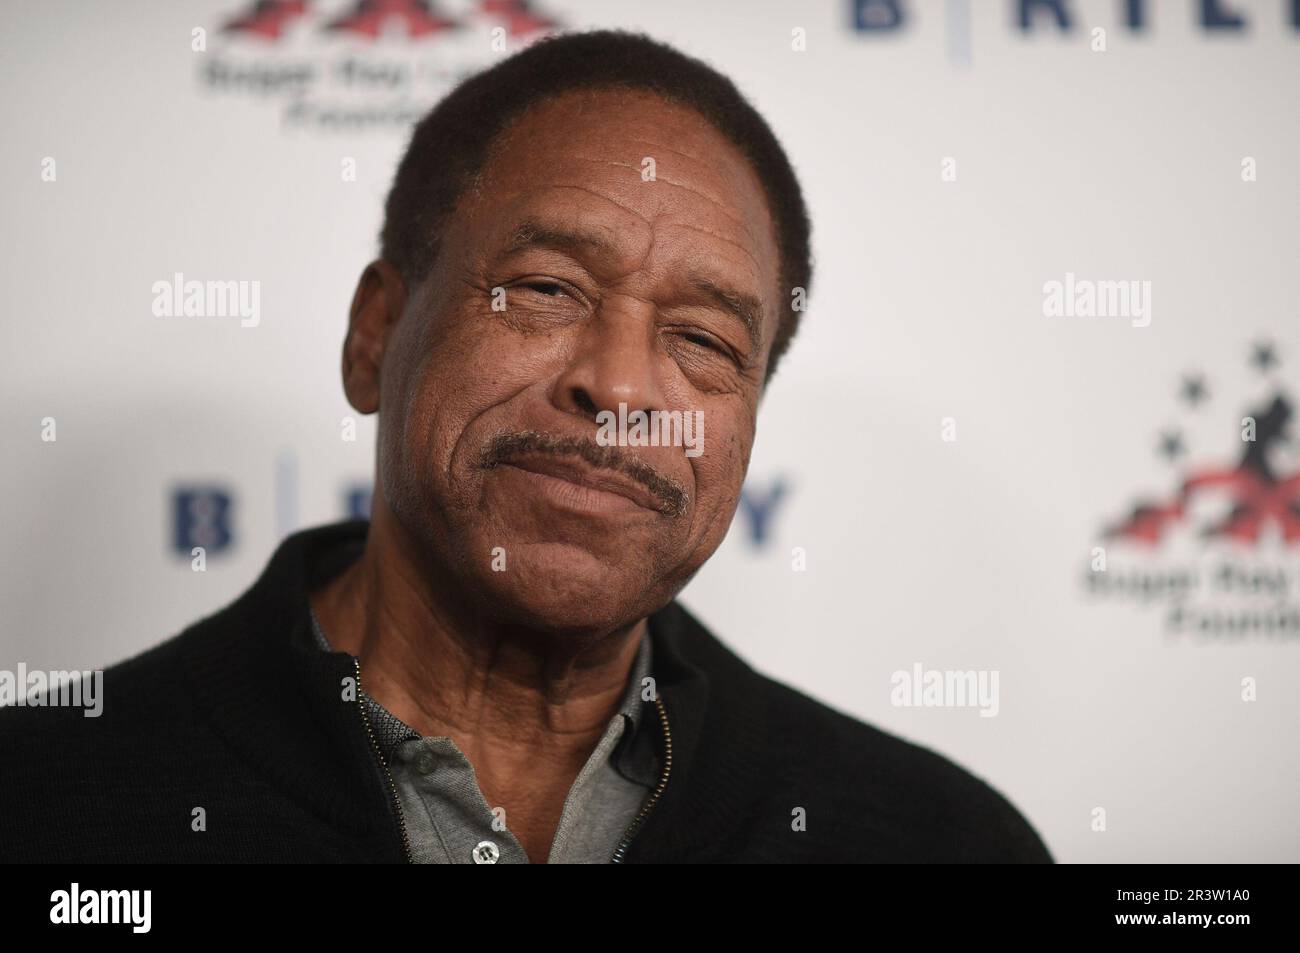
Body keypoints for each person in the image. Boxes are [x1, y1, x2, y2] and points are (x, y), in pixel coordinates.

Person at [0, 30, 1051, 863]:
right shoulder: (46, 802)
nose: (622, 385)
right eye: (547, 289)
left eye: (703, 340)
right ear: (376, 335)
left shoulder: (938, 839)